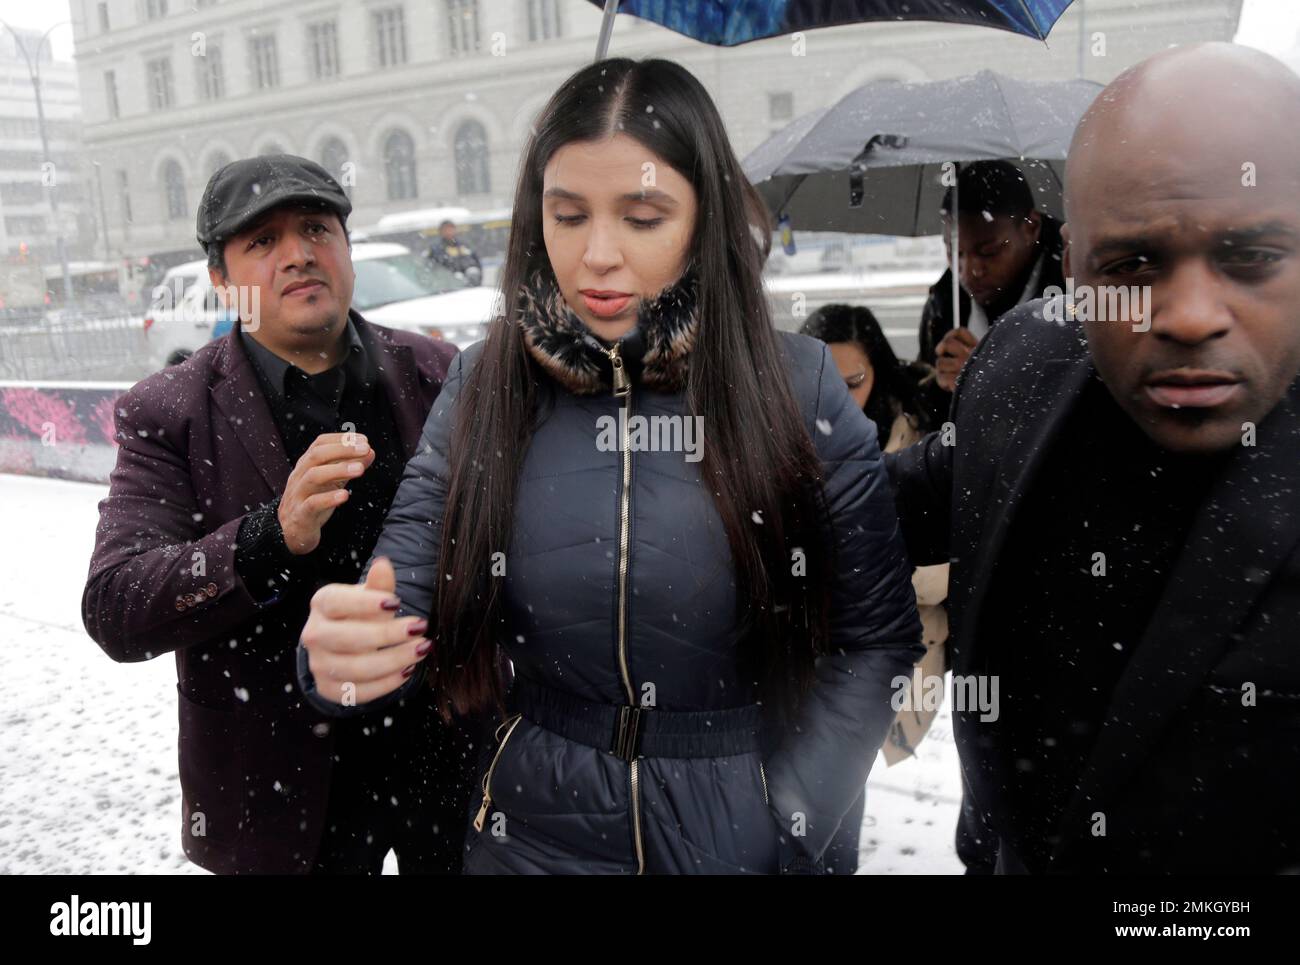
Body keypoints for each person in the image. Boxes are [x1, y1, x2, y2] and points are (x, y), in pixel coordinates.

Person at [298, 58, 923, 875]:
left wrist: (791, 813)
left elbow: (875, 639)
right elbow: (404, 576)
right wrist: (343, 651)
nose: (597, 255)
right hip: (530, 838)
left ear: (703, 220)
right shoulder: (486, 382)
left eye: (642, 216)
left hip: (740, 842)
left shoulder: (798, 384)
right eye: (568, 214)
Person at [886, 43, 1300, 874]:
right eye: (1134, 263)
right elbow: (886, 500)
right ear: (1073, 266)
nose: (1188, 316)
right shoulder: (1019, 367)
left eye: (1250, 257)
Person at [82, 155, 475, 875]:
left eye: (317, 228)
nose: (298, 253)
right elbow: (116, 604)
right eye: (261, 241)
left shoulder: (440, 373)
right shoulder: (169, 410)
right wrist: (271, 536)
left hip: (448, 767)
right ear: (222, 282)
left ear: (347, 249)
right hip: (281, 793)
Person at [800, 303, 950, 870]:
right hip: (797, 665)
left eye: (854, 382)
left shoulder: (918, 439)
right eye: (822, 383)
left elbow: (938, 579)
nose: (838, 398)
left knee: (837, 807)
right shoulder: (774, 437)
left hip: (876, 668)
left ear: (878, 373)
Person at [917, 160, 1066, 425]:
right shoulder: (943, 303)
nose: (969, 271)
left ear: (1031, 226)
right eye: (955, 252)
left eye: (989, 252)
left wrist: (988, 380)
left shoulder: (1078, 289)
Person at [426, 219, 482, 284]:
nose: (449, 232)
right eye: (446, 230)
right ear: (441, 232)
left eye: (451, 229)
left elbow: (476, 263)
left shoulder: (464, 246)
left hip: (469, 285)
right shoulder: (435, 250)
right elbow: (432, 269)